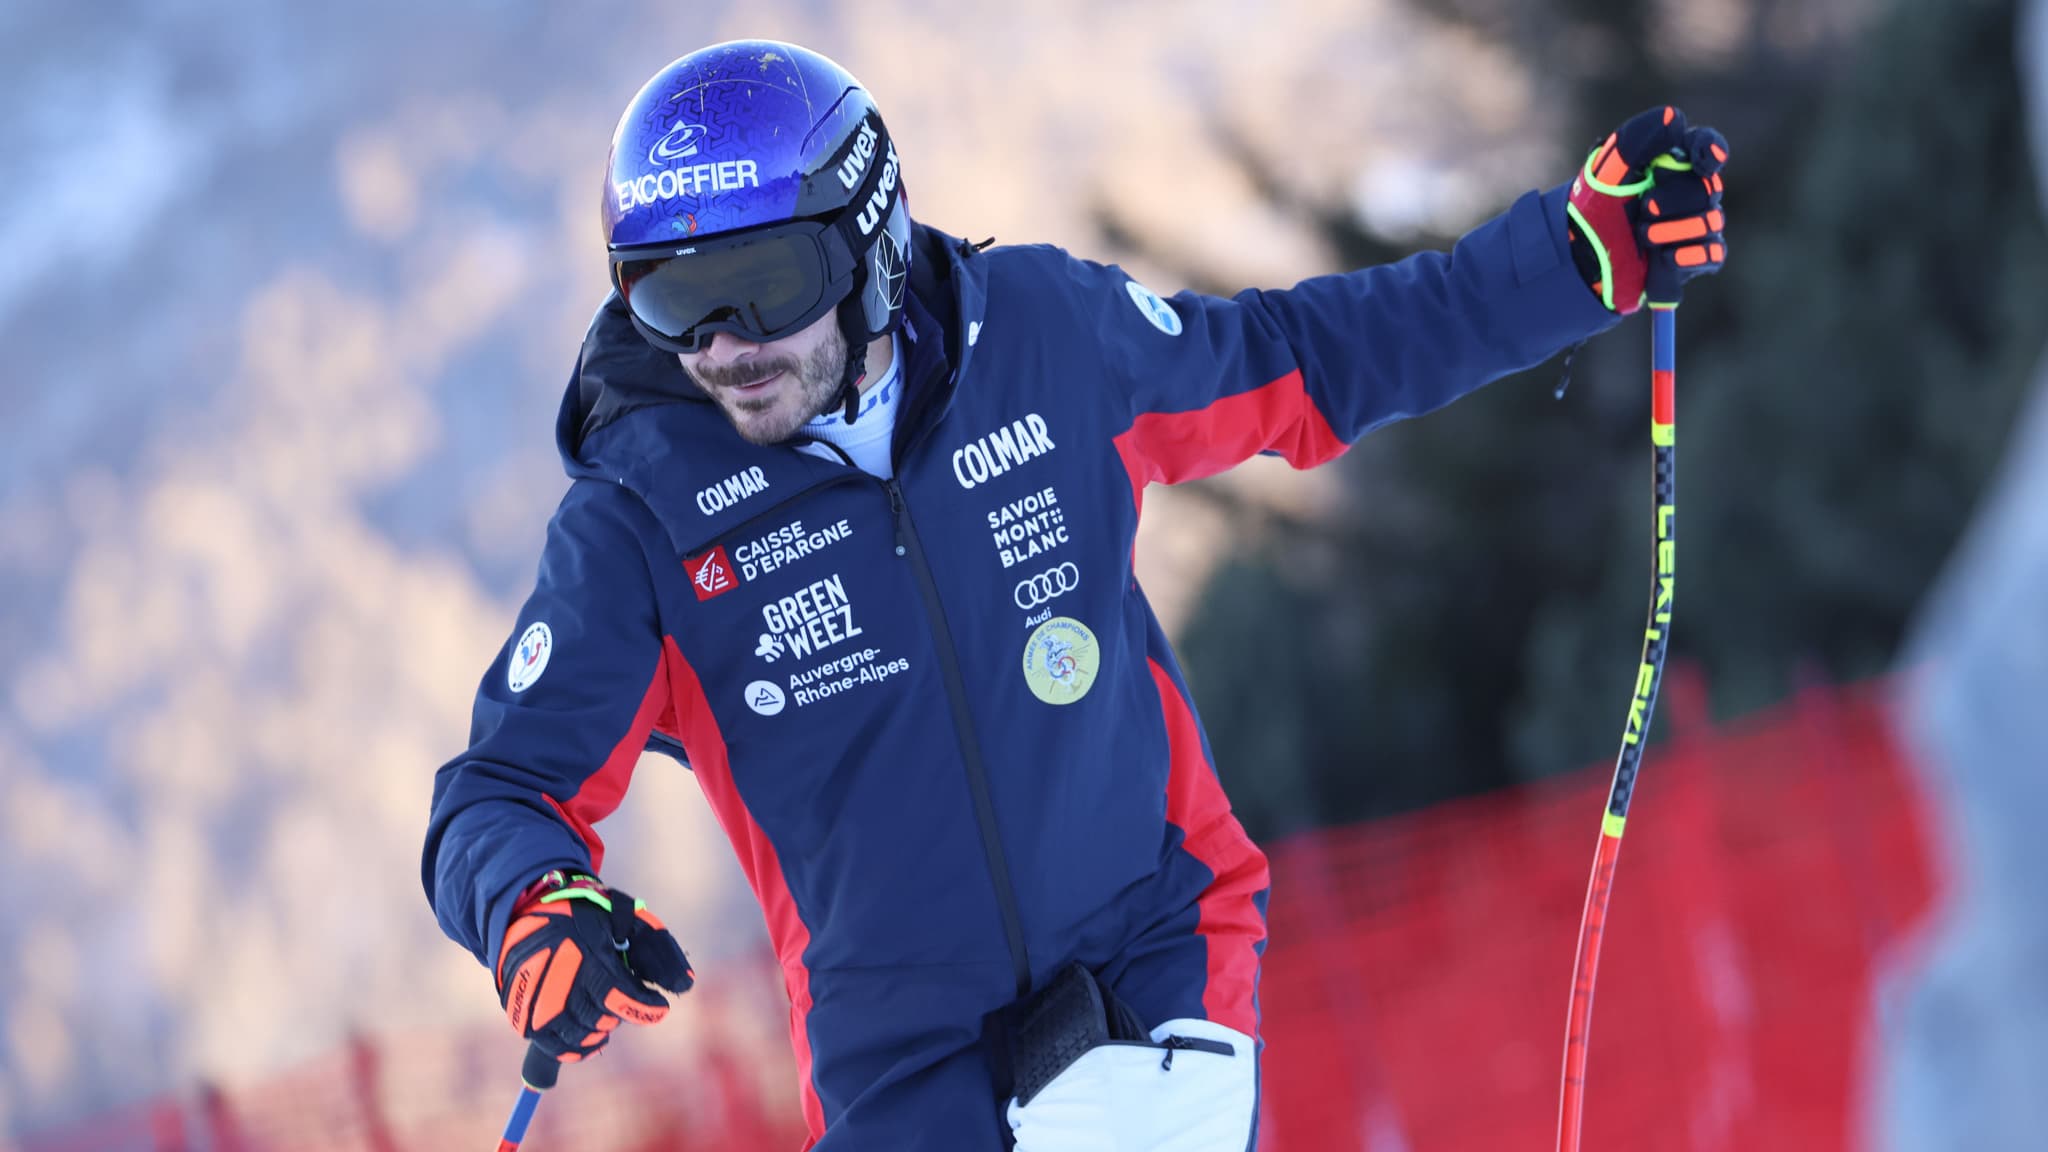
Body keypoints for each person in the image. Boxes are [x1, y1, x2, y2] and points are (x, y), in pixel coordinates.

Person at [422, 38, 1729, 1152]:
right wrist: (531, 905)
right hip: (901, 1065)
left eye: (761, 288)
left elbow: (1308, 360)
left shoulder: (1047, 343)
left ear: (864, 242)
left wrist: (1576, 261)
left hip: (1151, 950)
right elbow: (497, 791)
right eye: (668, 301)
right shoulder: (642, 521)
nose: (721, 349)